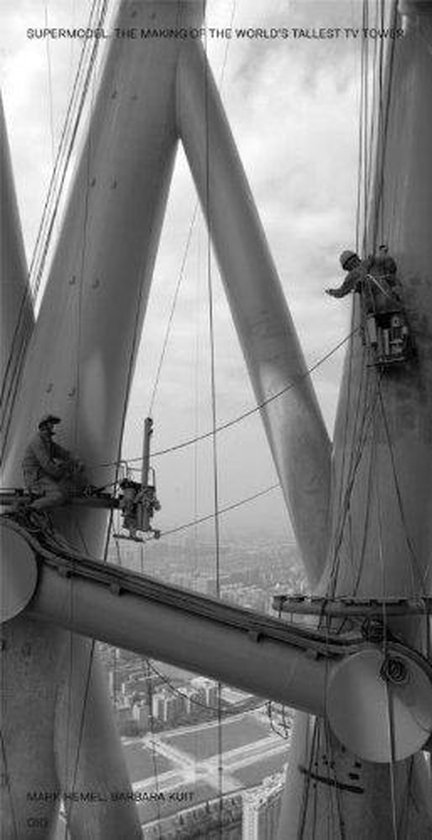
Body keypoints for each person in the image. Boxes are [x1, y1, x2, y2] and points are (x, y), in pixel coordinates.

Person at [21, 414, 86, 511]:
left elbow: (64, 454)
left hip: (43, 475)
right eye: (50, 423)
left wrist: (77, 461)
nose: (52, 426)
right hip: (36, 478)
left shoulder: (48, 443)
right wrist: (64, 473)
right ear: (44, 425)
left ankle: (85, 488)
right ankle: (30, 510)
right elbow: (48, 466)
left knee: (68, 470)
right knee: (58, 496)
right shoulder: (38, 442)